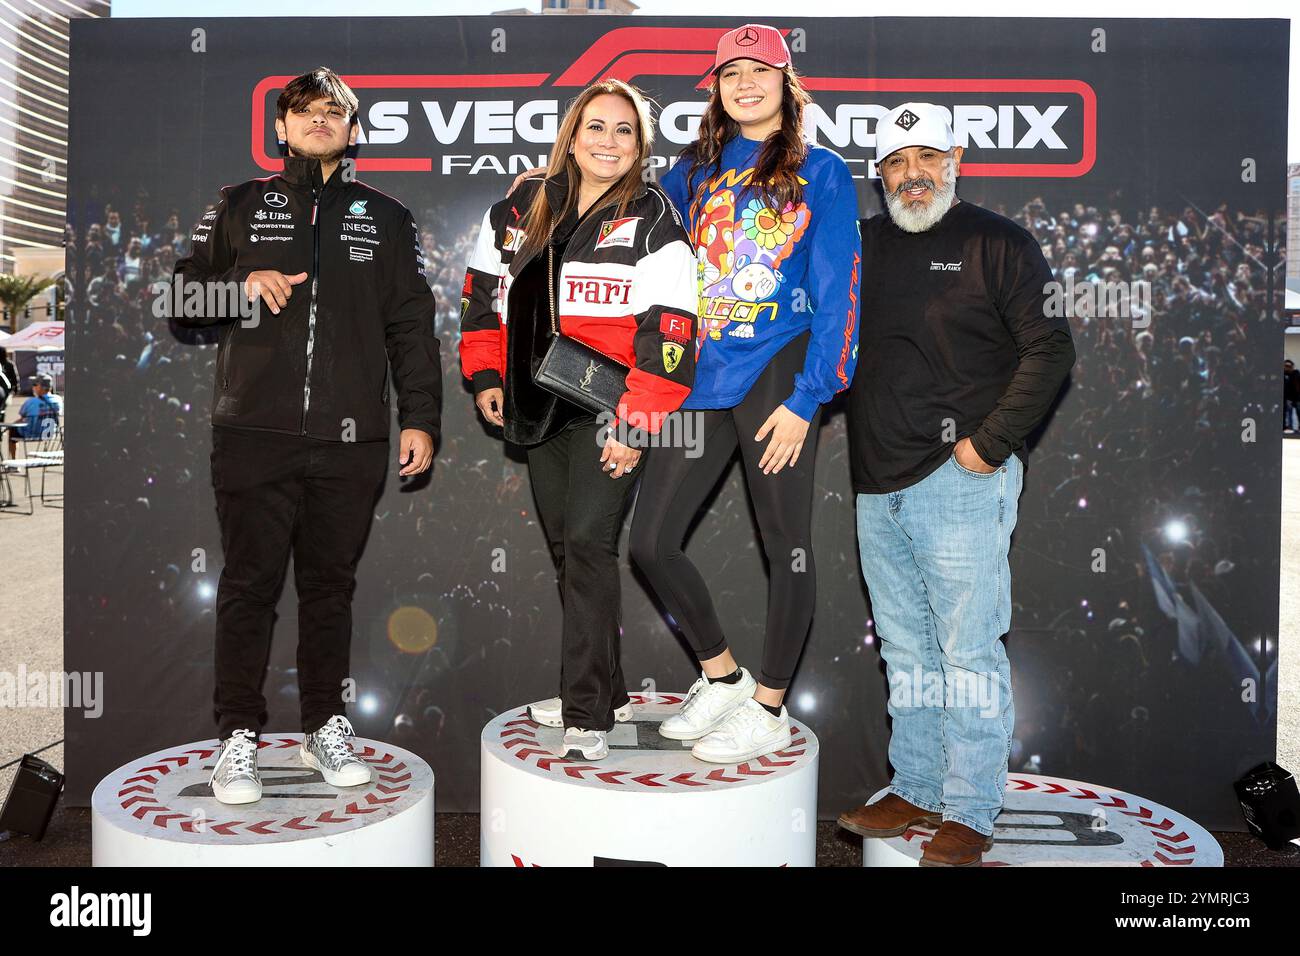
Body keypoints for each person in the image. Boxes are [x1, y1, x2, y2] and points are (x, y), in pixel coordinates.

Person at [174, 67, 443, 804]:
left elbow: (411, 327)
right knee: (249, 587)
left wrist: (420, 417)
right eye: (306, 112)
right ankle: (237, 738)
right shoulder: (236, 204)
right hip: (251, 433)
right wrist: (238, 288)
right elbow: (178, 302)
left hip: (352, 441)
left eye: (334, 112)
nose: (320, 121)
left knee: (330, 590)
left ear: (352, 131)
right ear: (282, 128)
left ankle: (326, 723)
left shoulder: (385, 216)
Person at [837, 103, 1075, 866]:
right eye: (895, 163)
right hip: (877, 481)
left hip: (960, 481)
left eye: (926, 157)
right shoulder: (858, 245)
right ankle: (916, 784)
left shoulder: (999, 242)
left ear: (957, 158)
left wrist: (986, 446)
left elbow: (1051, 346)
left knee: (968, 652)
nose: (912, 174)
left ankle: (971, 808)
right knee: (905, 649)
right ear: (878, 177)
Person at [615, 24, 860, 764]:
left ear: (787, 83)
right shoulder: (691, 175)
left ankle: (770, 706)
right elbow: (647, 267)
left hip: (778, 375)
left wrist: (809, 396)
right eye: (731, 73)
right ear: (715, 90)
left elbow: (838, 287)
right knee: (651, 543)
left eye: (761, 70)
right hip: (700, 376)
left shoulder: (821, 172)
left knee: (786, 547)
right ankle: (722, 677)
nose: (745, 83)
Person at [461, 78, 697, 760]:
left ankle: (586, 709)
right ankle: (610, 689)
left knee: (590, 547)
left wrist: (636, 420)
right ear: (572, 132)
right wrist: (483, 372)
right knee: (568, 551)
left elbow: (673, 327)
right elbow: (484, 293)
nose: (608, 141)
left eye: (624, 130)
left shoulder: (654, 213)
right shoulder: (522, 200)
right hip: (536, 404)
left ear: (640, 145)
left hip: (609, 407)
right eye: (596, 126)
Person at [7, 373, 60, 457]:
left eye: (35, 384)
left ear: (41, 387)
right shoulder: (58, 400)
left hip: (32, 433)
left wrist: (9, 426)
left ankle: (13, 461)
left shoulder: (31, 402)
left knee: (12, 430)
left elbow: (22, 418)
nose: (33, 387)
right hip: (51, 434)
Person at [1283, 359, 1299, 432]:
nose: (1287, 368)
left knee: (1298, 412)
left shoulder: (1295, 374)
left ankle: (1296, 428)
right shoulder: (1283, 375)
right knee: (1288, 413)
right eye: (1285, 366)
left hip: (1297, 398)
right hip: (1288, 398)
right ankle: (1289, 427)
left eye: (1289, 366)